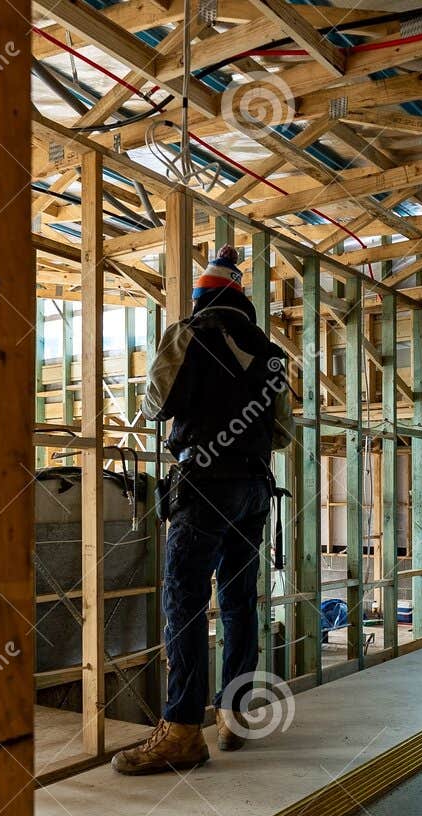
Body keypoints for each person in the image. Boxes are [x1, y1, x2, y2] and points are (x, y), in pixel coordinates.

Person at [112, 245, 291, 775]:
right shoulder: (271, 353)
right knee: (239, 601)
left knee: (185, 603)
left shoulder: (187, 333)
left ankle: (183, 730)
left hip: (204, 484)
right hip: (254, 487)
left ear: (201, 300)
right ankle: (233, 714)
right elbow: (281, 433)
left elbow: (156, 405)